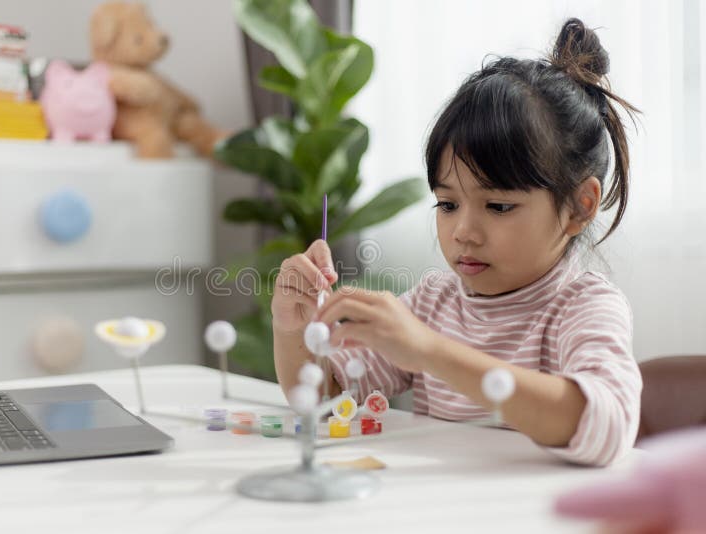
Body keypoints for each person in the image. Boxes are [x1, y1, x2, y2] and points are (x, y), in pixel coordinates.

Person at [271, 18, 642, 466]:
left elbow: (607, 427)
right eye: (447, 205)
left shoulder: (583, 305)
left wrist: (429, 351)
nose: (463, 231)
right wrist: (294, 326)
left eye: (498, 206)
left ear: (581, 206)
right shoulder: (434, 302)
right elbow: (326, 398)